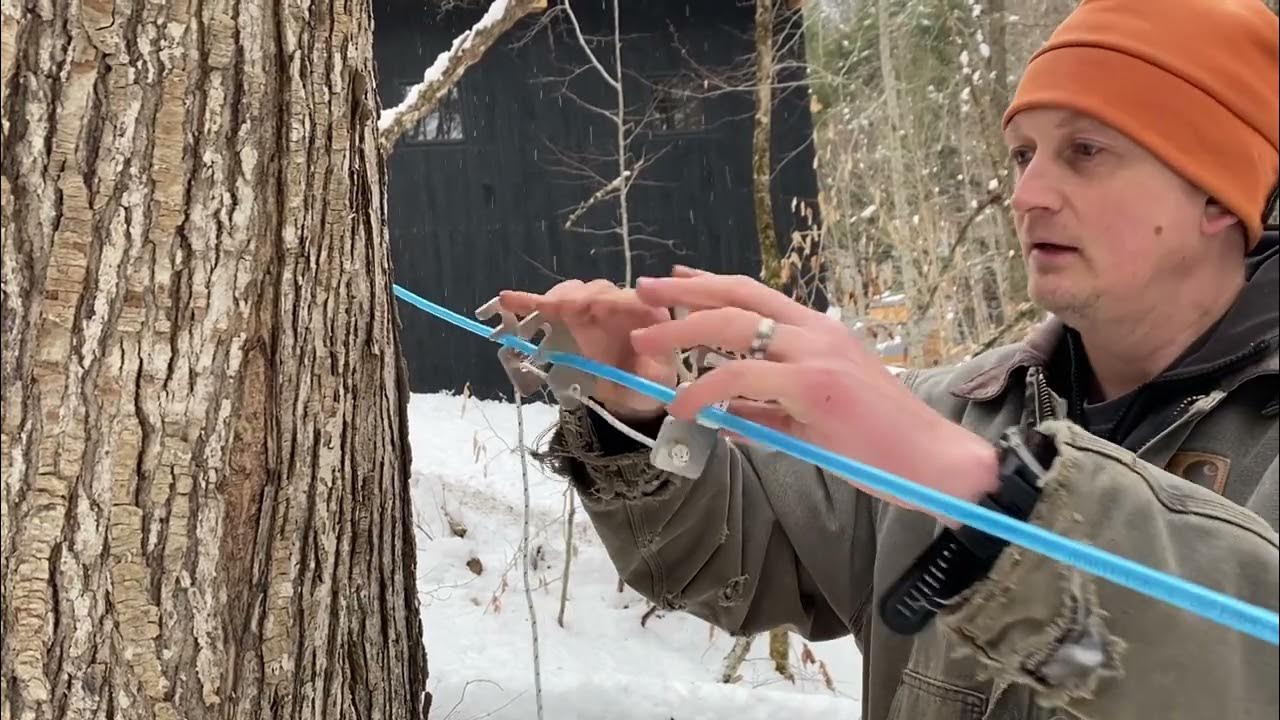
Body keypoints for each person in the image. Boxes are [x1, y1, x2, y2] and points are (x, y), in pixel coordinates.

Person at [499, 1, 1280, 717]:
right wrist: (630, 409)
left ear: (1215, 191)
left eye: (1085, 150)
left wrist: (986, 490)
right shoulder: (961, 407)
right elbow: (740, 556)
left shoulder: (936, 439)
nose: (1029, 192)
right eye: (1021, 155)